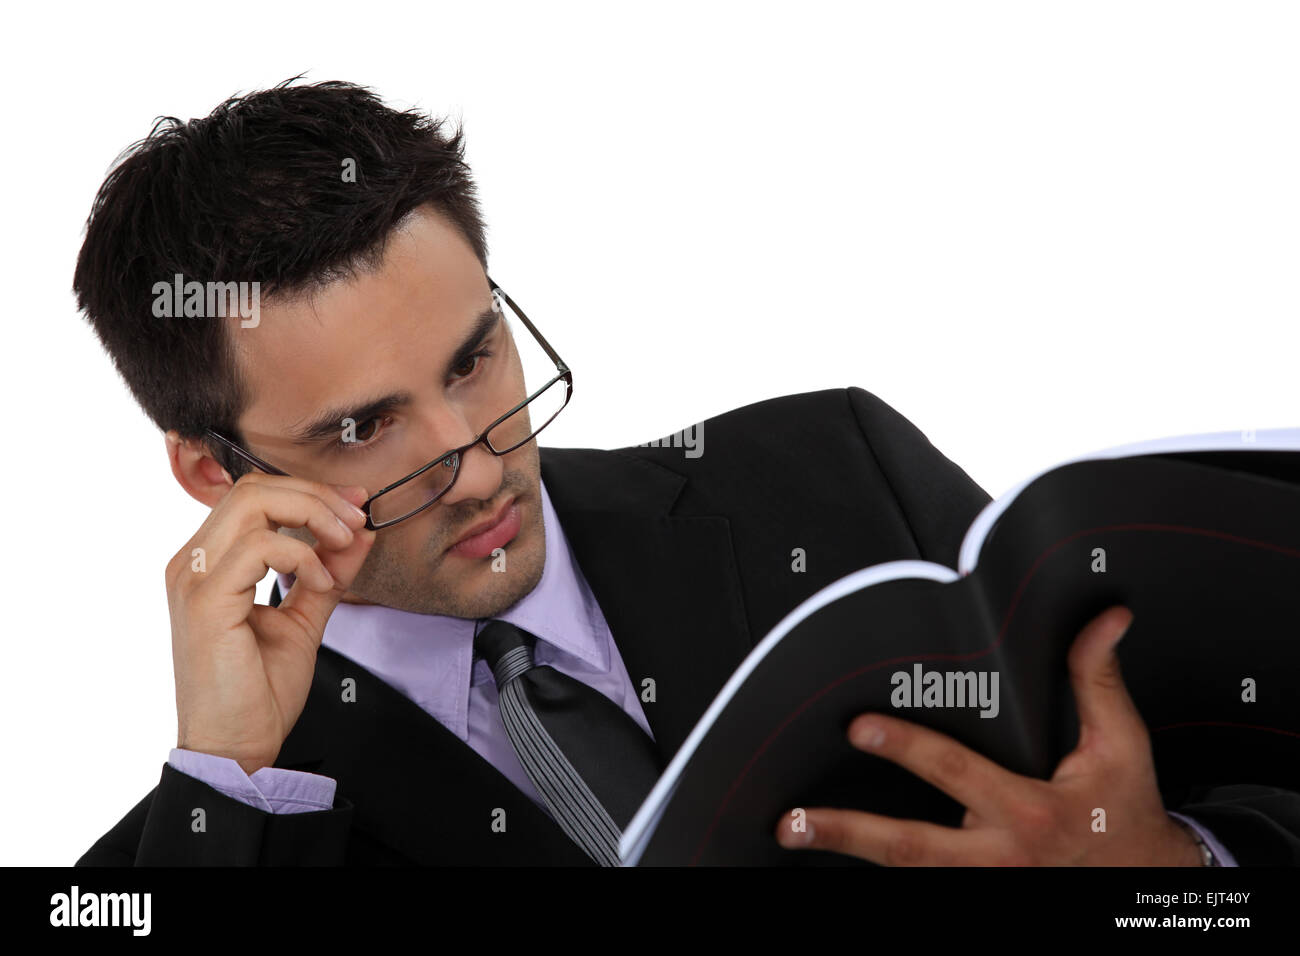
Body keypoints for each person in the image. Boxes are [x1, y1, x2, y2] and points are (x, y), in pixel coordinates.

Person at [73, 79, 1299, 866]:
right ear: (210, 470)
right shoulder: (215, 824)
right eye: (361, 431)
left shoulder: (831, 473)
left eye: (475, 357)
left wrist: (1175, 873)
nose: (471, 463)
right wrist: (223, 782)